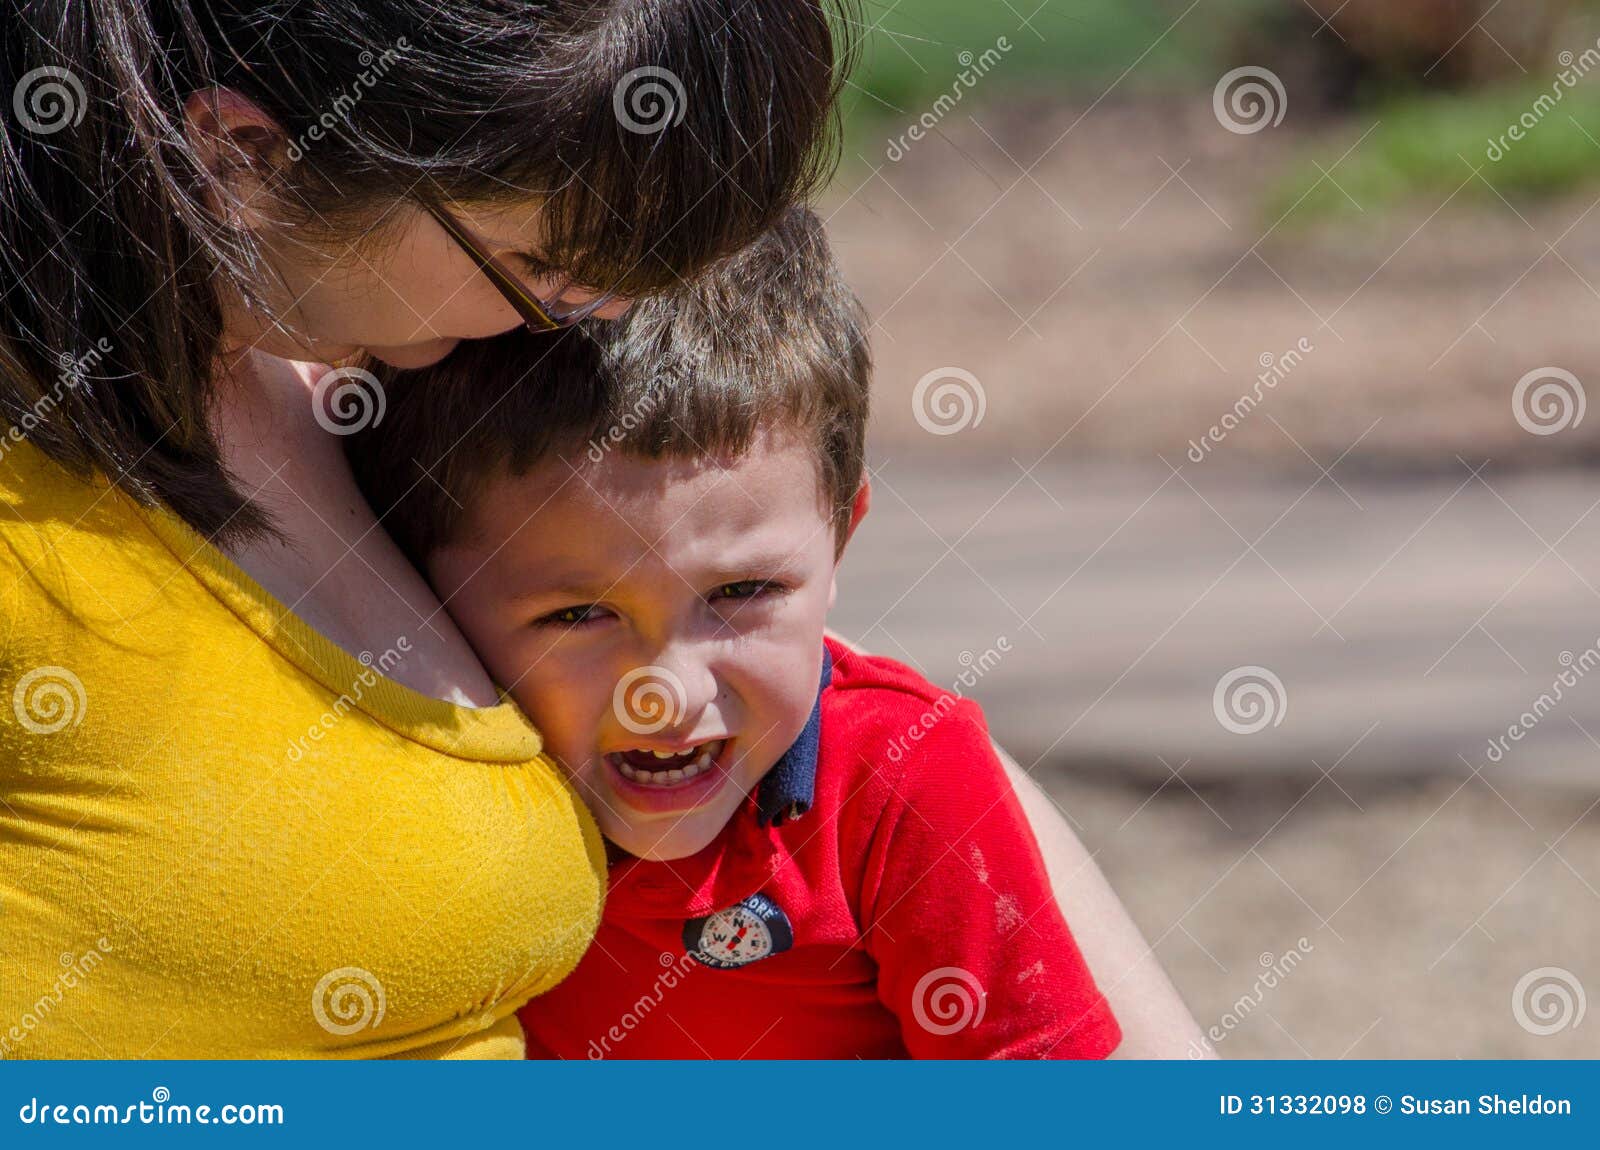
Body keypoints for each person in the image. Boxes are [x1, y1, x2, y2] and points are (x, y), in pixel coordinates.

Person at [0, 0, 852, 1058]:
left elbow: (851, 728)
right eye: (541, 270)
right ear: (244, 159)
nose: (601, 328)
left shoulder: (354, 361)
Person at [345, 209, 1123, 1058]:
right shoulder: (422, 785)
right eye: (577, 615)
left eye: (743, 591)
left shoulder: (898, 786)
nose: (669, 691)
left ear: (841, 538)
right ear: (413, 583)